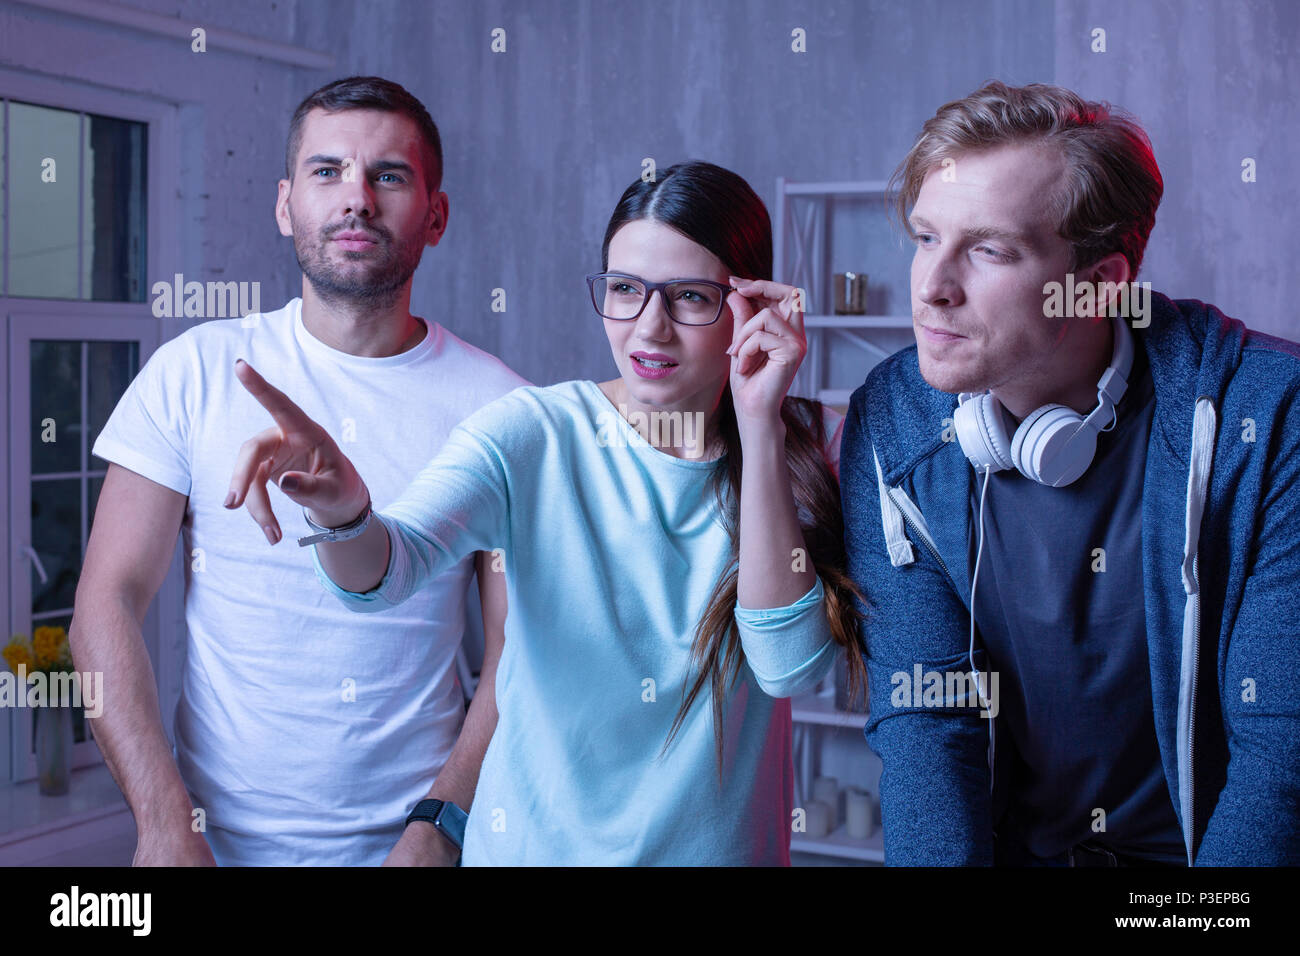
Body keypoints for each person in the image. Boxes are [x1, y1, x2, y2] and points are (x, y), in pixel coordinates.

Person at [225, 160, 867, 865]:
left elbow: (786, 667)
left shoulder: (812, 442)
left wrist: (760, 422)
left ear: (751, 304)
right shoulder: (534, 434)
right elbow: (386, 571)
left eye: (688, 297)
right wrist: (347, 513)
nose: (649, 329)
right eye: (624, 290)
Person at [841, 80, 1300, 866]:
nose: (930, 287)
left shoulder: (1268, 414)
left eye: (989, 249)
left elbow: (1280, 757)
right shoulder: (894, 419)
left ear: (1100, 281)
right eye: (924, 237)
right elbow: (927, 726)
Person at [72, 76, 527, 866]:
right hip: (210, 849)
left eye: (388, 175)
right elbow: (104, 604)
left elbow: (519, 649)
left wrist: (442, 823)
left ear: (436, 214)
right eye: (327, 172)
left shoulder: (501, 405)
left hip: (413, 849)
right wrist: (160, 820)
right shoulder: (196, 372)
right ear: (286, 206)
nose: (356, 198)